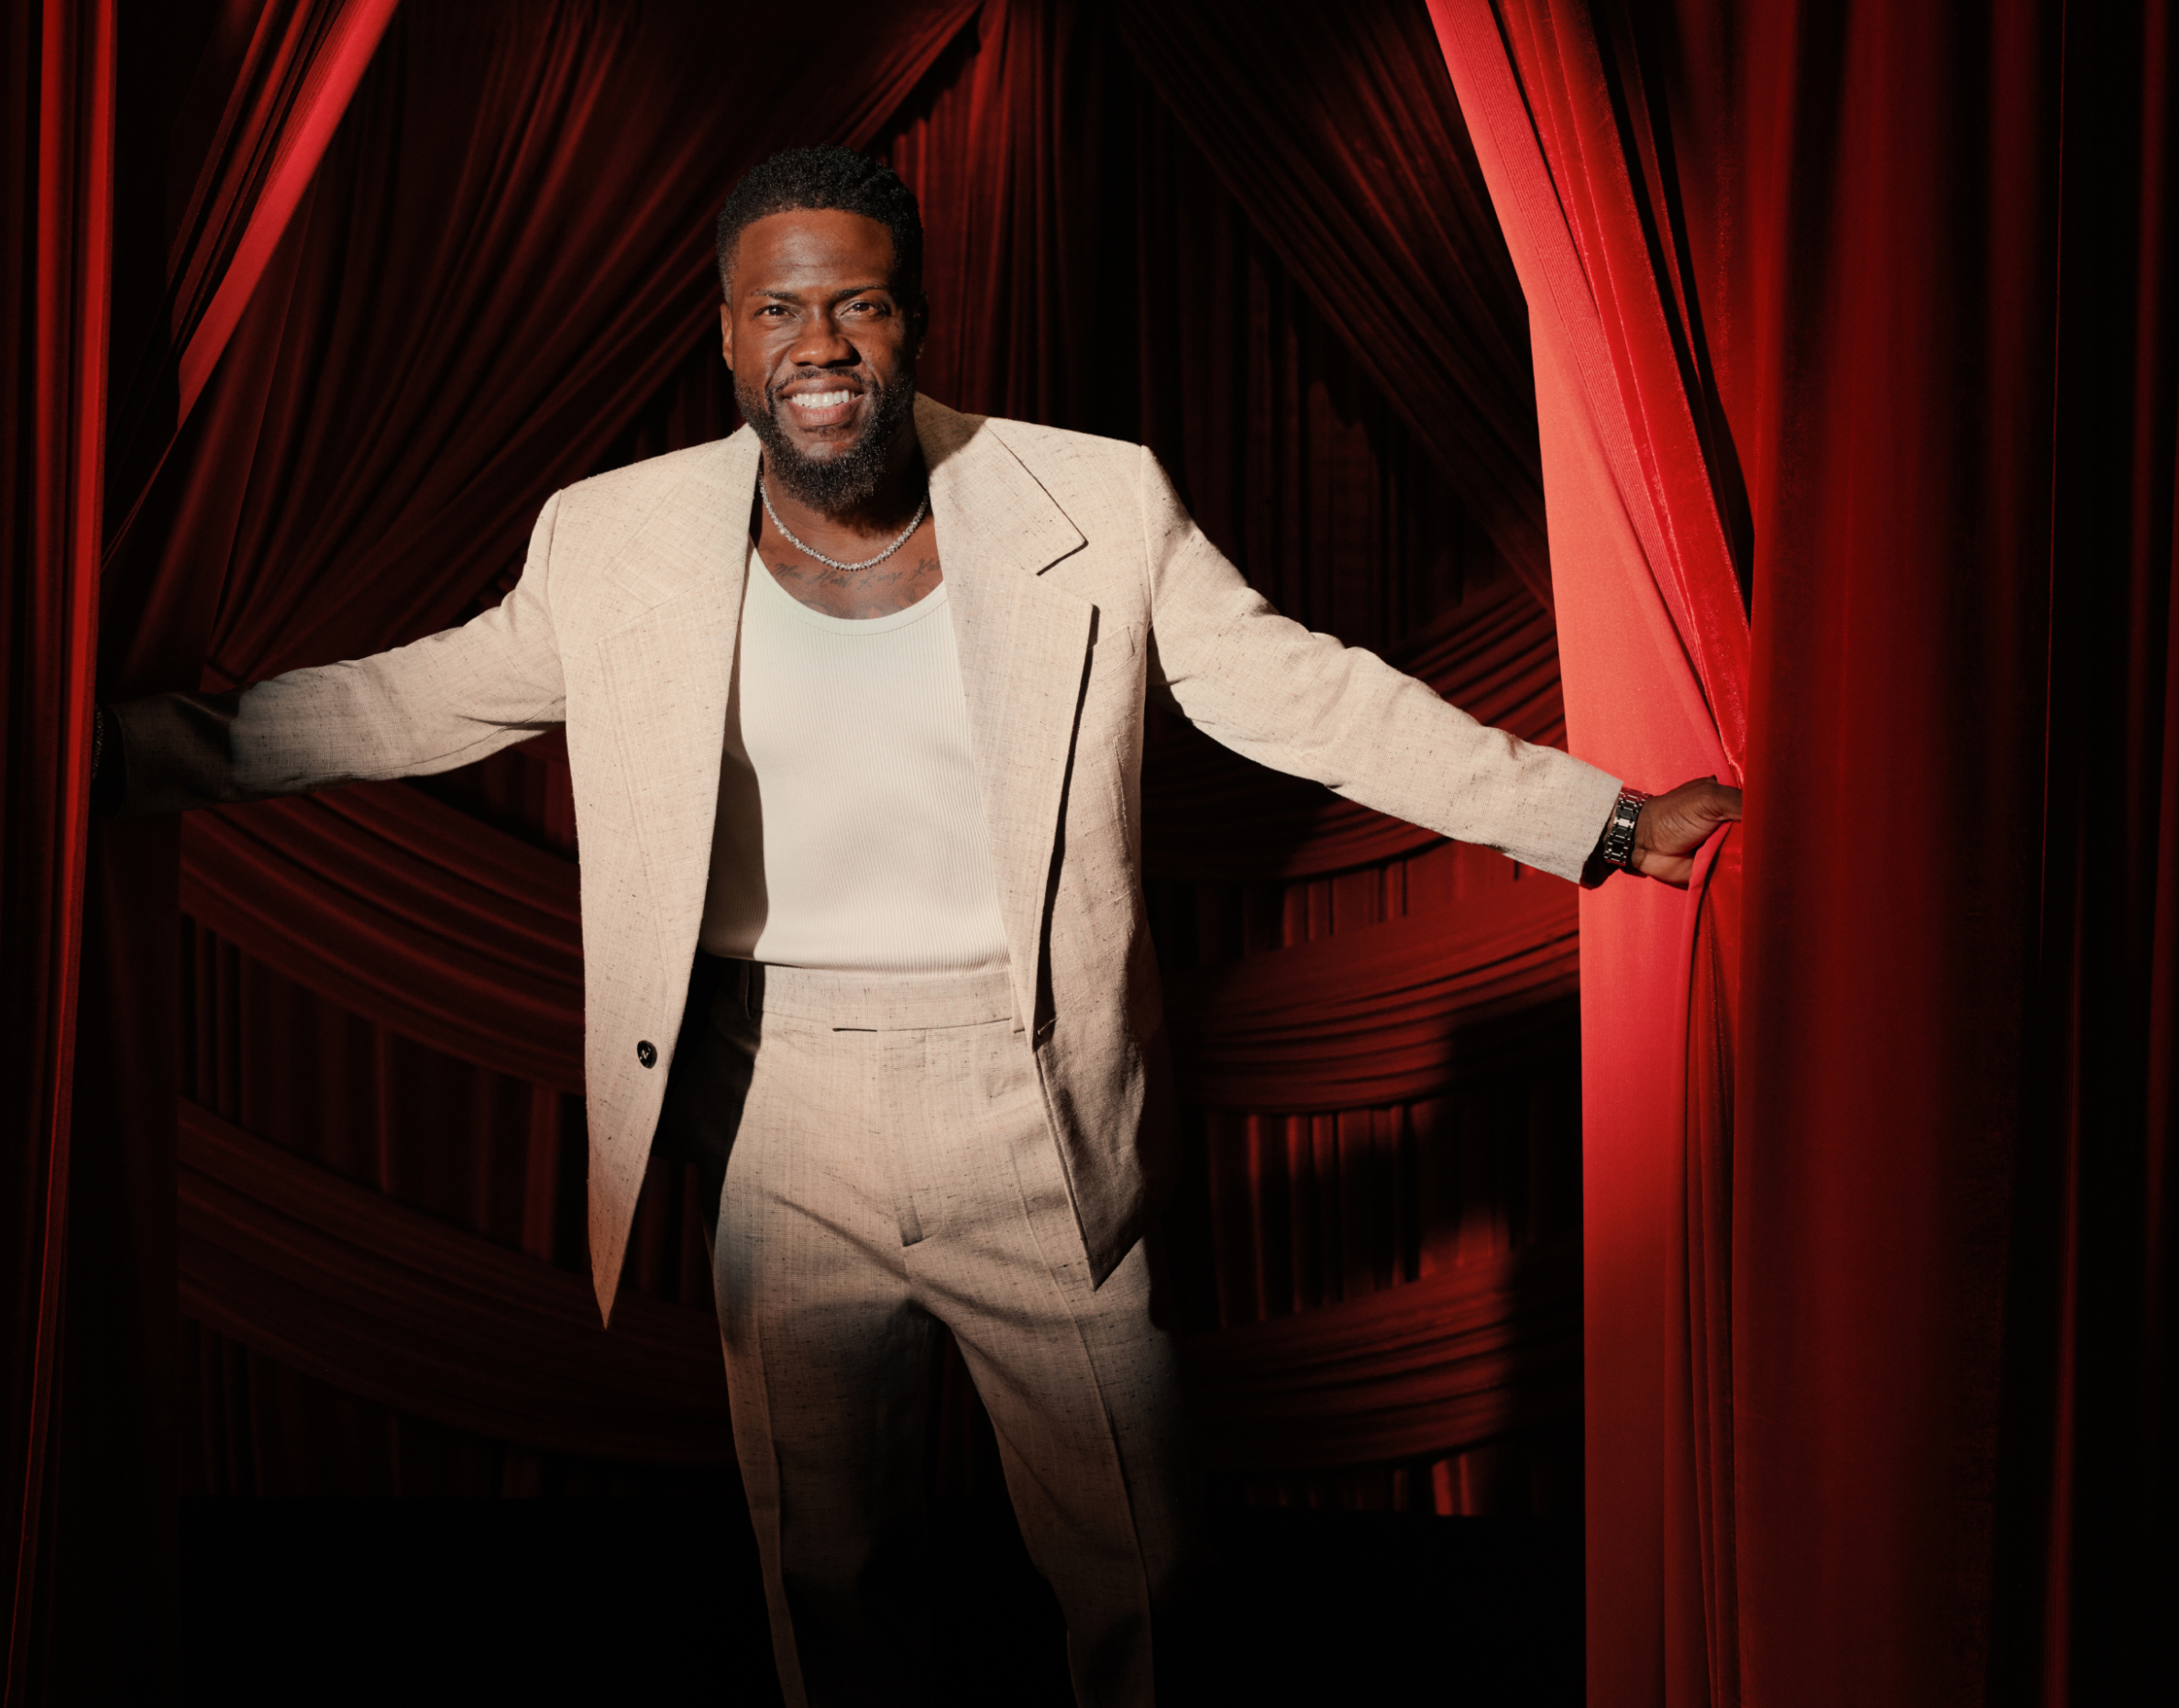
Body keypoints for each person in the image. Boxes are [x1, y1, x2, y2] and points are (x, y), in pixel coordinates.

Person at [104, 146, 1741, 1707]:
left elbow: (1312, 697)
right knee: (825, 1571)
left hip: (1029, 1089)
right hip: (774, 1111)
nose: (819, 345)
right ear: (726, 334)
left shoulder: (1092, 501)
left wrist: (1596, 820)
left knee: (1142, 1573)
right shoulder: (614, 542)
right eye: (777, 310)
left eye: (859, 306)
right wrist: (111, 758)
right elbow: (408, 703)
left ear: (914, 318)